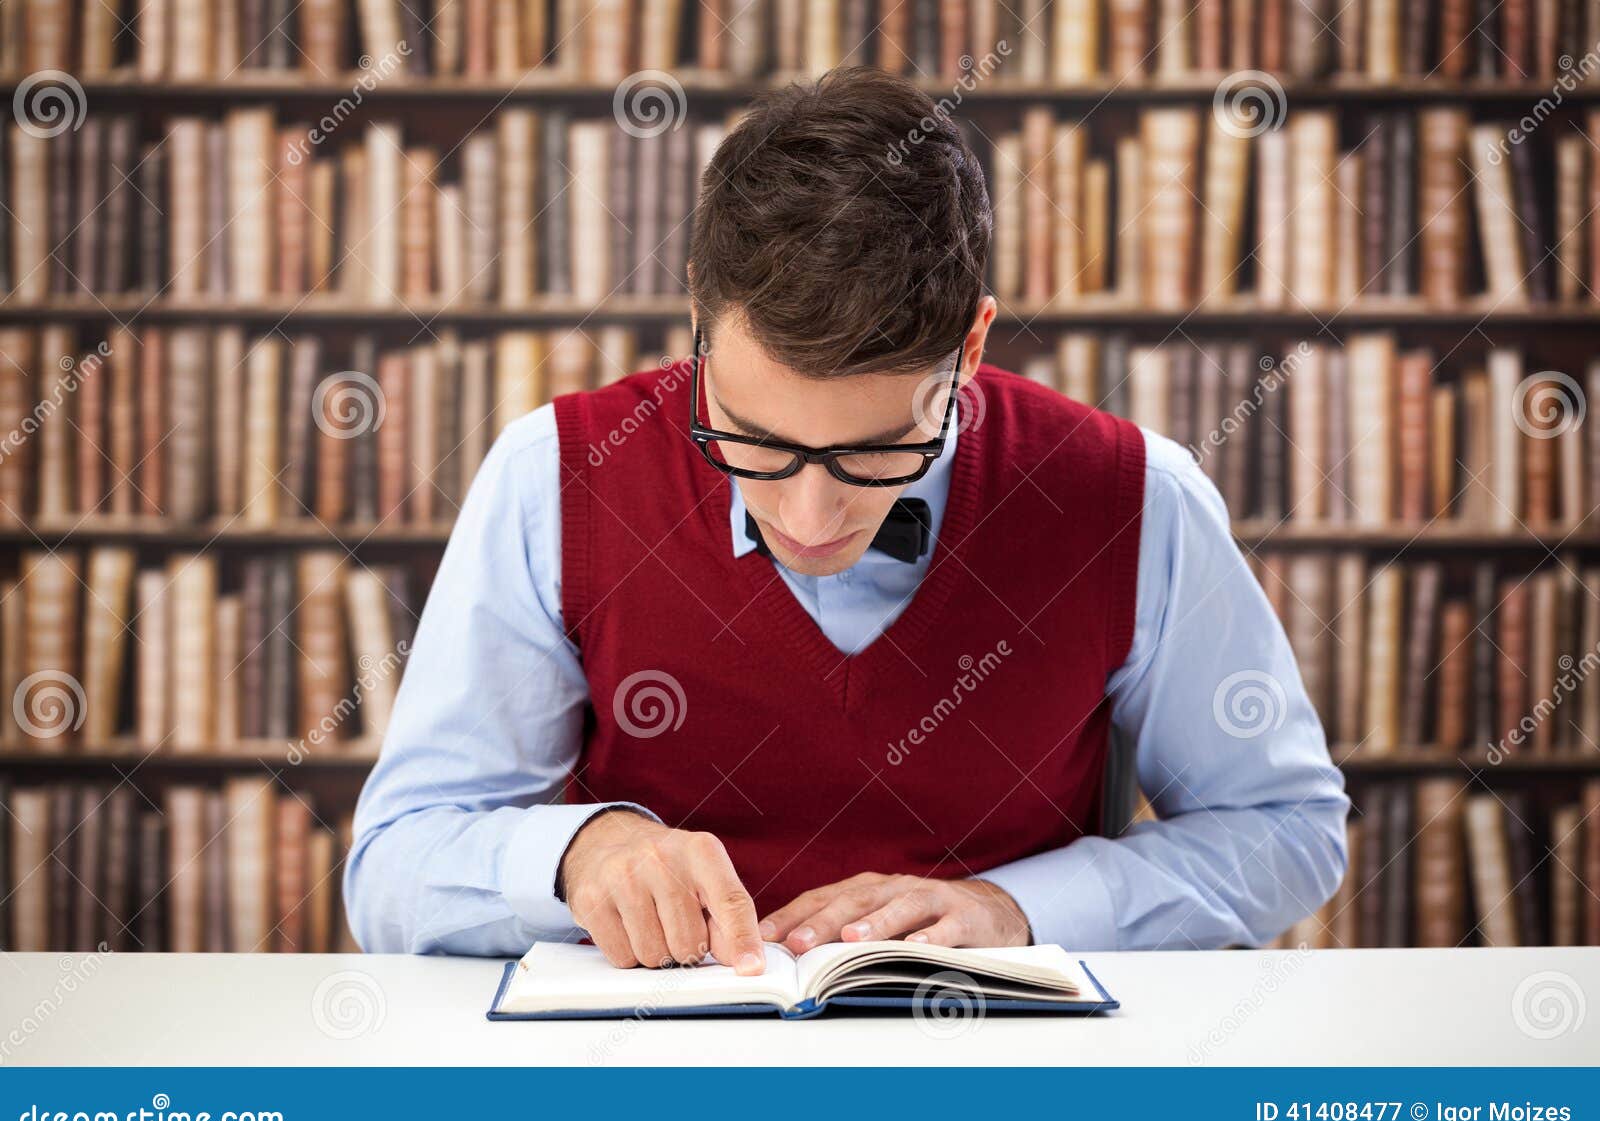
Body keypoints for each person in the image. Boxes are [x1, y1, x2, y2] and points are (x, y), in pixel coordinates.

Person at [345, 67, 1349, 970]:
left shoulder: (1131, 495)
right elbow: (390, 869)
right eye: (753, 438)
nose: (808, 511)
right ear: (698, 317)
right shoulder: (549, 479)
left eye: (876, 450)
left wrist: (1016, 907)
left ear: (972, 343)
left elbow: (1288, 827)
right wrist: (572, 851)